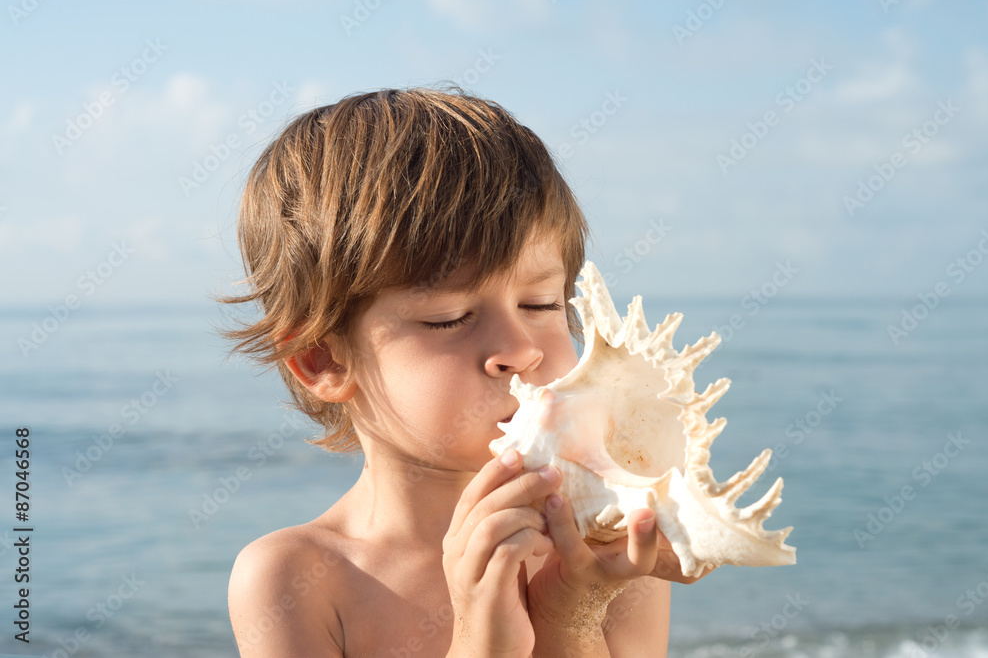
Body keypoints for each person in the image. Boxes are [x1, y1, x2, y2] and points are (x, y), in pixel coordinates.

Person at [224, 87, 708, 658]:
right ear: (324, 361)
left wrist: (569, 615)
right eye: (449, 318)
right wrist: (481, 641)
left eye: (542, 305)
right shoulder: (298, 580)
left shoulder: (614, 543)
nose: (519, 349)